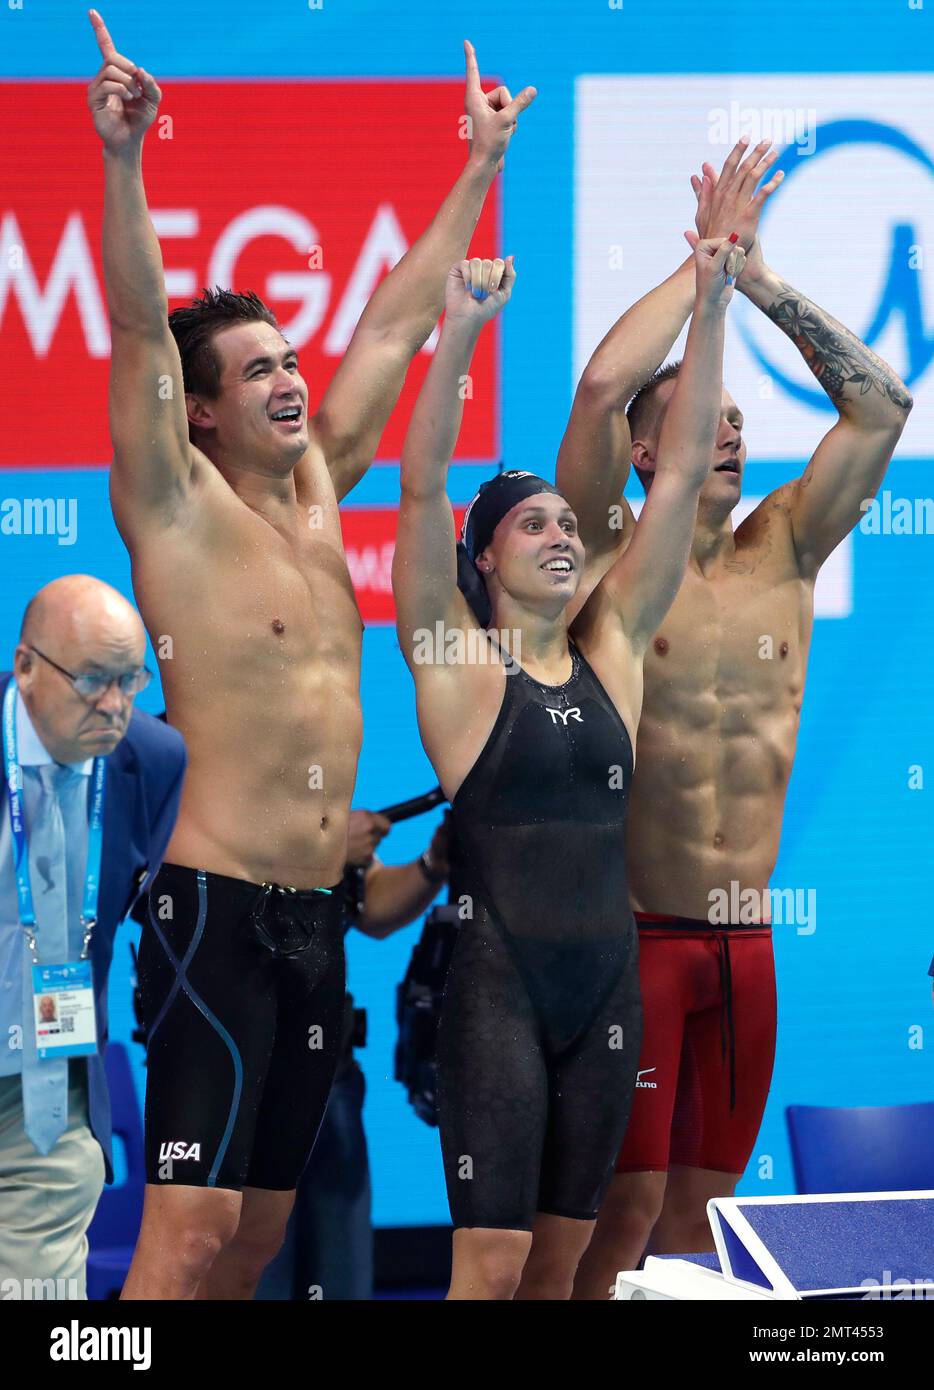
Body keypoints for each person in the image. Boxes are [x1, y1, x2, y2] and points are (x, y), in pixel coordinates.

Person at [86, 9, 534, 1300]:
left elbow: (391, 330)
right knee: (183, 1230)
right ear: (203, 407)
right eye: (257, 369)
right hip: (212, 912)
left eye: (291, 356)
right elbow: (129, 331)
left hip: (313, 917)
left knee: (258, 1236)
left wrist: (476, 167)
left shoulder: (323, 494)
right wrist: (123, 164)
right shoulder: (175, 506)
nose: (290, 379)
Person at [557, 138, 913, 1298]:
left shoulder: (786, 549)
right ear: (644, 456)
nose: (730, 431)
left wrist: (756, 281)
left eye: (736, 417)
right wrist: (697, 279)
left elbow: (877, 409)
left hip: (743, 944)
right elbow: (604, 389)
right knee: (619, 1218)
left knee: (704, 1225)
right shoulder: (608, 552)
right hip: (639, 937)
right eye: (702, 415)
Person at [392, 234, 742, 1299]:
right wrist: (459, 333)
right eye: (530, 522)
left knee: (562, 1266)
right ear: (485, 554)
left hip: (605, 992)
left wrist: (713, 297)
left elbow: (677, 469)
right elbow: (416, 494)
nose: (558, 533)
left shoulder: (614, 651)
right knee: (489, 1268)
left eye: (565, 521)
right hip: (493, 996)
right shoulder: (455, 660)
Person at [0, 576, 185, 1298]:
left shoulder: (153, 760)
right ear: (26, 668)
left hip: (48, 1080)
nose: (113, 705)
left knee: (39, 1291)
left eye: (129, 680)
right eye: (90, 681)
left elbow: (142, 905)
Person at [256, 809, 450, 1301]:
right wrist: (318, 849)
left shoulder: (311, 772)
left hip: (330, 1080)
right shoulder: (194, 764)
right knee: (255, 1272)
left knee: (342, 1277)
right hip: (243, 1084)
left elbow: (370, 908)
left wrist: (434, 863)